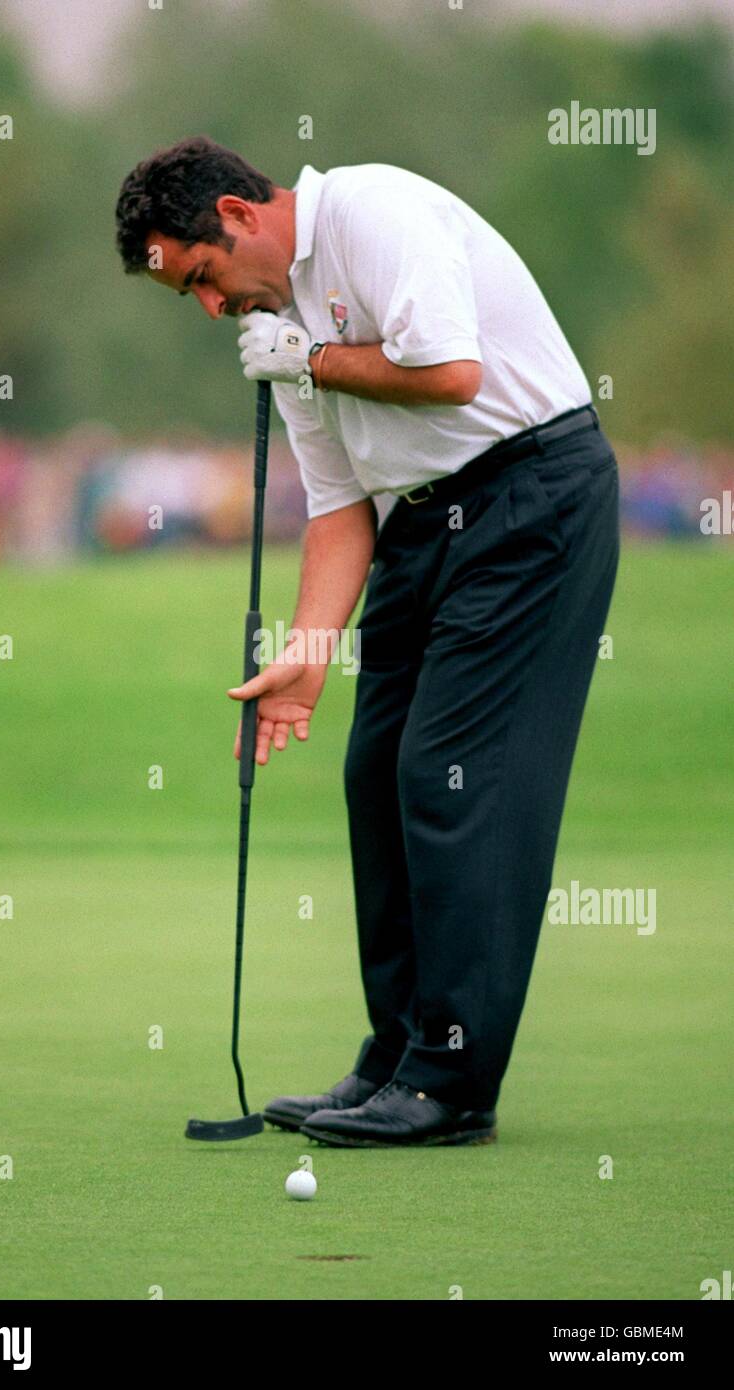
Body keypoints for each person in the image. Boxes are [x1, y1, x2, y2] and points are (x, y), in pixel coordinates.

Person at [115, 136, 620, 1147]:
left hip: (530, 497)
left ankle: (450, 1080)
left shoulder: (371, 212)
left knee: (448, 775)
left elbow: (450, 373)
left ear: (239, 215)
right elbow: (340, 504)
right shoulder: (280, 324)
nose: (214, 308)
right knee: (375, 769)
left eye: (204, 278)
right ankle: (394, 1053)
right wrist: (306, 655)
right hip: (417, 523)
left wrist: (307, 359)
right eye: (191, 299)